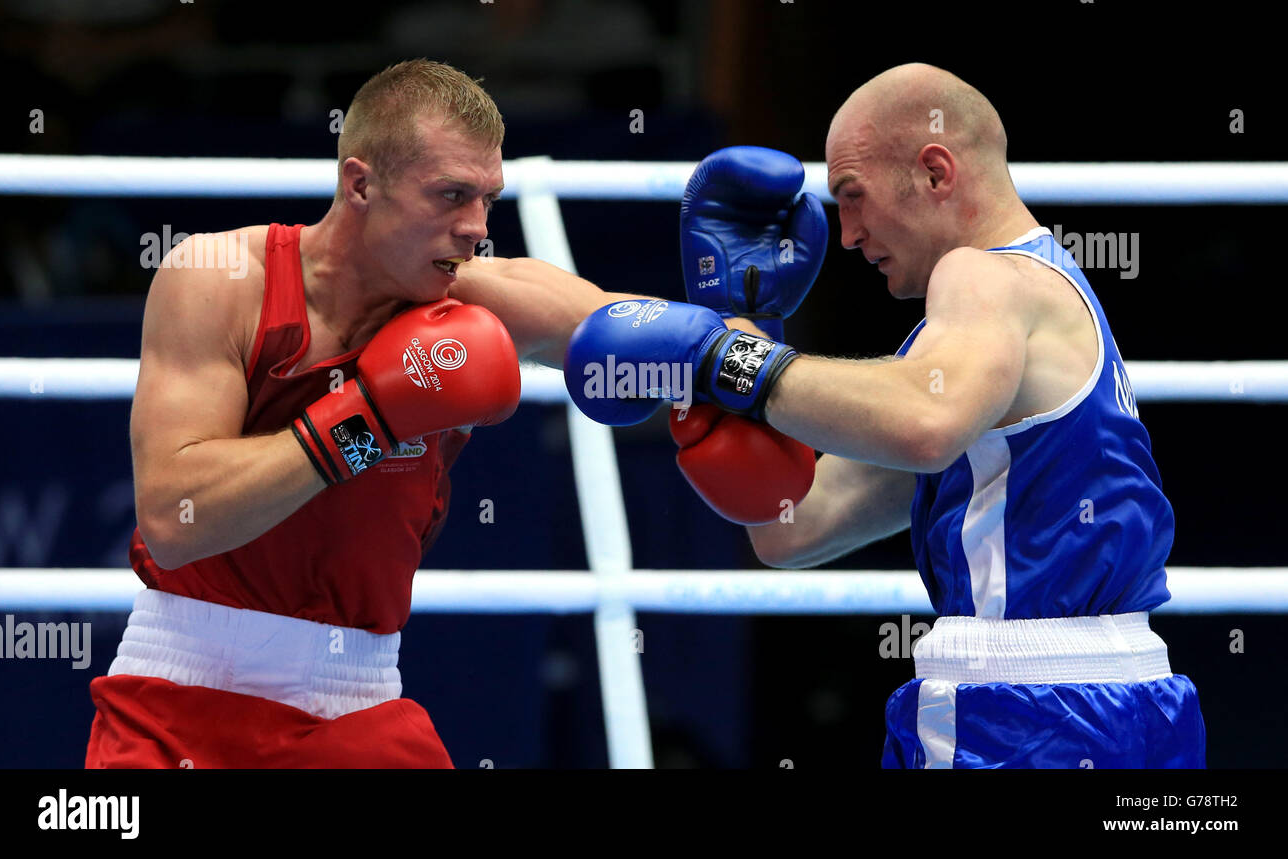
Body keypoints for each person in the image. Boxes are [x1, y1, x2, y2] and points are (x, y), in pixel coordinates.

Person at [565, 63, 1206, 768]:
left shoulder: (983, 277)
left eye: (853, 196)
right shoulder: (1027, 314)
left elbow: (924, 423)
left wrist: (727, 360)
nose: (845, 235)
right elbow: (795, 524)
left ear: (935, 171)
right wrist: (739, 330)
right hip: (1134, 700)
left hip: (1023, 708)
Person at [85, 59, 664, 768]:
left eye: (488, 199)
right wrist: (365, 421)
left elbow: (666, 347)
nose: (475, 227)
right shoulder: (222, 279)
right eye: (451, 195)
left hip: (356, 706)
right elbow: (175, 521)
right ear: (360, 183)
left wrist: (743, 318)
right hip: (176, 700)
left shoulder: (478, 303)